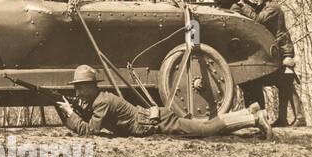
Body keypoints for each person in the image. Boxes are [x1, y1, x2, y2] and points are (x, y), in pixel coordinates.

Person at [54, 65, 273, 140]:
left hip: (156, 122)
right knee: (204, 127)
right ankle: (247, 112)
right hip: (155, 117)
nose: (78, 91)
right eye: (77, 87)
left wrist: (69, 114)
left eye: (81, 87)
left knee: (205, 129)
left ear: (92, 86)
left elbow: (90, 132)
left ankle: (254, 118)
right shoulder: (100, 100)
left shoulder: (102, 102)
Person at [236, 0, 298, 126]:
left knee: (286, 82)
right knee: (284, 83)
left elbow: (258, 20)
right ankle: (285, 118)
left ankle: (295, 118)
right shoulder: (265, 6)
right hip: (276, 50)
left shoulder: (273, 8)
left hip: (283, 51)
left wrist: (243, 6)